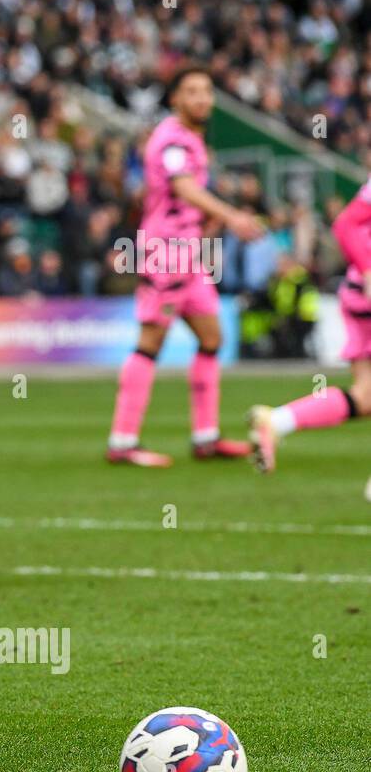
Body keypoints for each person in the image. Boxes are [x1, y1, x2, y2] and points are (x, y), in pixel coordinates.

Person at [105, 65, 265, 467]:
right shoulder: (172, 139)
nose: (202, 98)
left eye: (207, 91)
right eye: (192, 91)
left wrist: (208, 223)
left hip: (190, 255)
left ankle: (206, 437)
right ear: (174, 98)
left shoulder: (191, 138)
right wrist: (231, 216)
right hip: (165, 252)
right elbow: (183, 187)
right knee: (151, 341)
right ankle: (122, 442)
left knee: (211, 338)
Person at [249, 181, 371, 473]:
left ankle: (276, 421)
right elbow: (346, 224)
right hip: (364, 290)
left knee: (365, 396)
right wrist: (369, 271)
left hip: (357, 292)